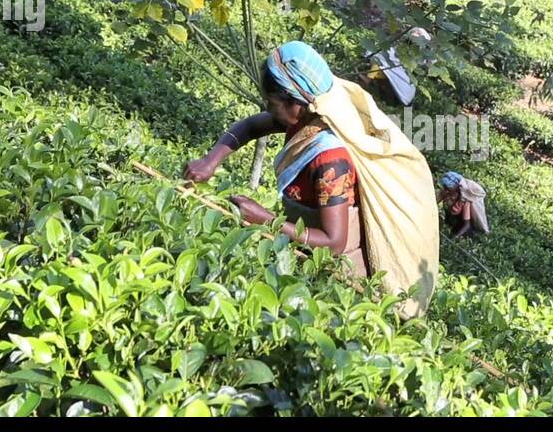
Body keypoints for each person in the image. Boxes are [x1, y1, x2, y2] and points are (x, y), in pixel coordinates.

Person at [183, 41, 439, 318]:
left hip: (340, 281)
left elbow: (333, 243)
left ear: (296, 103)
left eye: (272, 103)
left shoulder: (331, 161)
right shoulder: (308, 113)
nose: (268, 110)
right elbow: (250, 126)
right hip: (301, 251)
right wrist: (210, 162)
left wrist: (265, 219)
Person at [436, 171, 489, 238]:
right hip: (451, 220)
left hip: (462, 226)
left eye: (448, 187)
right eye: (445, 187)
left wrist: (456, 236)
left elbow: (466, 224)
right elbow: (435, 202)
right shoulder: (446, 193)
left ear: (456, 187)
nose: (446, 189)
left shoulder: (465, 202)